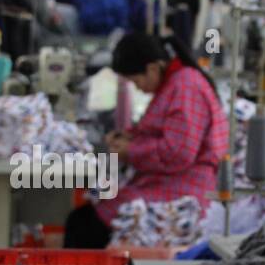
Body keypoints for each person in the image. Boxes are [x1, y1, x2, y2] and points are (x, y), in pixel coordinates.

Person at [64, 32, 227, 248]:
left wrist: (129, 150)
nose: (137, 87)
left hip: (183, 194)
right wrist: (129, 136)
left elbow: (179, 153)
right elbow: (162, 130)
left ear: (152, 68)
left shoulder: (186, 87)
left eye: (136, 80)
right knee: (83, 218)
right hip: (165, 183)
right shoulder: (175, 83)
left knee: (85, 225)